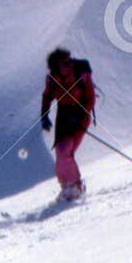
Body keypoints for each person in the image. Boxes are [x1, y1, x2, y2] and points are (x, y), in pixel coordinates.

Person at [40, 47, 96, 202]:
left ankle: (76, 187)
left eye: (69, 61)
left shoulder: (82, 74)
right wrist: (44, 116)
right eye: (64, 63)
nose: (69, 65)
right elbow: (47, 97)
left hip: (80, 114)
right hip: (63, 115)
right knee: (60, 153)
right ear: (56, 67)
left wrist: (80, 117)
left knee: (66, 151)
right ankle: (66, 187)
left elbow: (90, 99)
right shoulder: (52, 79)